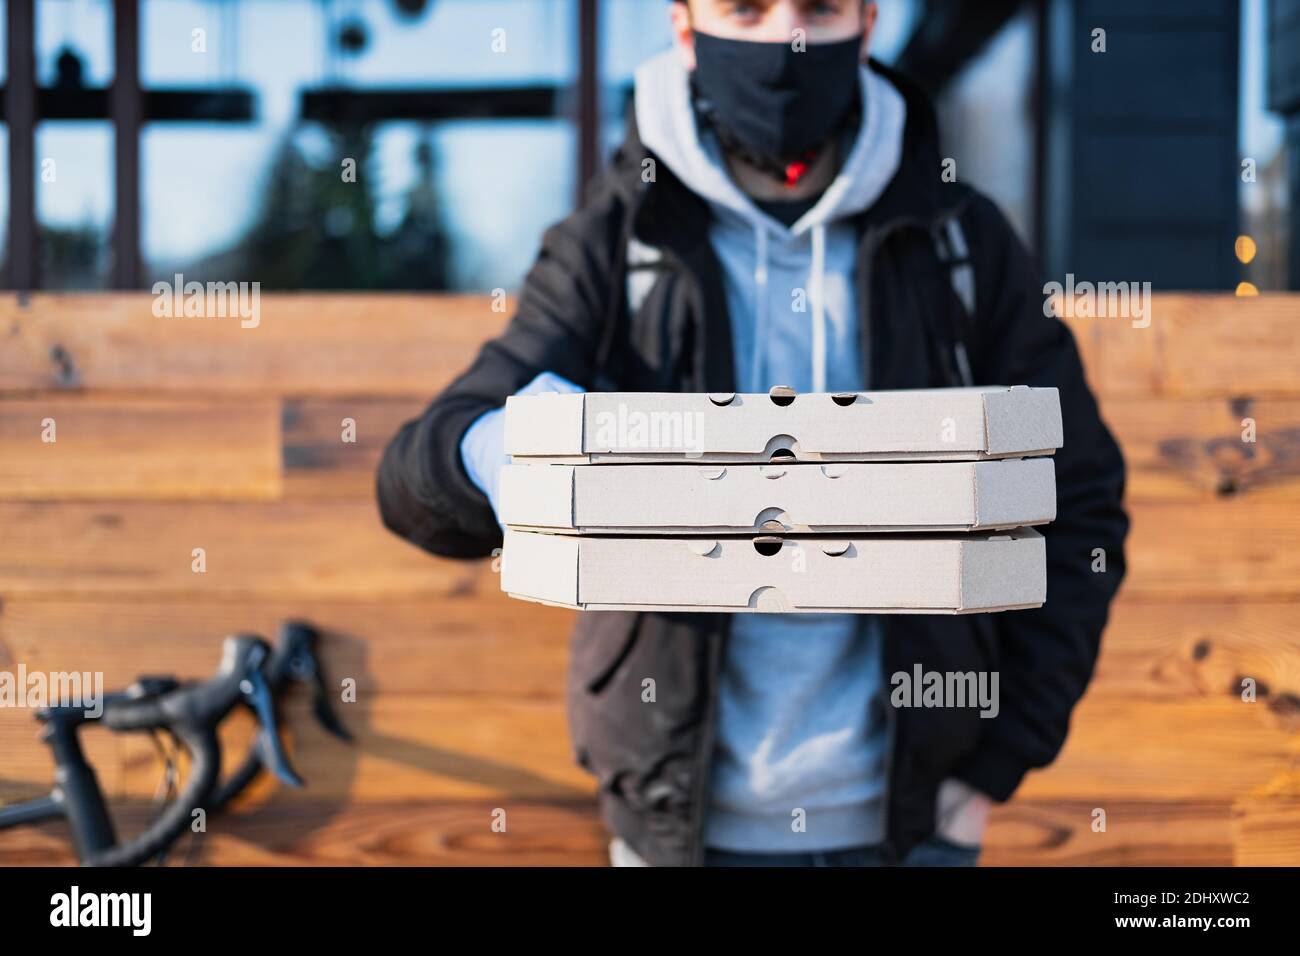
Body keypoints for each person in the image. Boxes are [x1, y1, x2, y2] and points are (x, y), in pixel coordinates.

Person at [377, 0, 1128, 867]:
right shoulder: (617, 240)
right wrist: (489, 455)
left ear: (869, 23)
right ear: (686, 27)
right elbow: (419, 476)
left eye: (818, 8)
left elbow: (1081, 505)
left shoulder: (961, 242)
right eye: (746, 8)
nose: (786, 41)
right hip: (675, 831)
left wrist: (995, 760)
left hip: (913, 830)